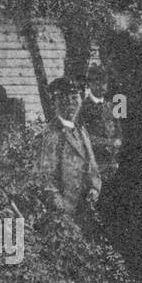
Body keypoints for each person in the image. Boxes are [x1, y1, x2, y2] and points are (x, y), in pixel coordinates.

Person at [36, 77, 101, 219]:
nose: (70, 104)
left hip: (85, 207)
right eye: (64, 99)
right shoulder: (52, 133)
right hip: (65, 212)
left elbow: (93, 166)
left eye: (74, 98)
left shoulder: (81, 131)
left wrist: (94, 188)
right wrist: (60, 207)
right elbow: (47, 179)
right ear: (55, 103)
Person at [76, 64, 120, 177]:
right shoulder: (83, 108)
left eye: (104, 82)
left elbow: (119, 130)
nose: (102, 86)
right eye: (97, 82)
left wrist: (118, 142)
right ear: (89, 84)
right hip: (95, 164)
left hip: (113, 162)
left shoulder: (112, 105)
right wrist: (108, 143)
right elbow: (82, 137)